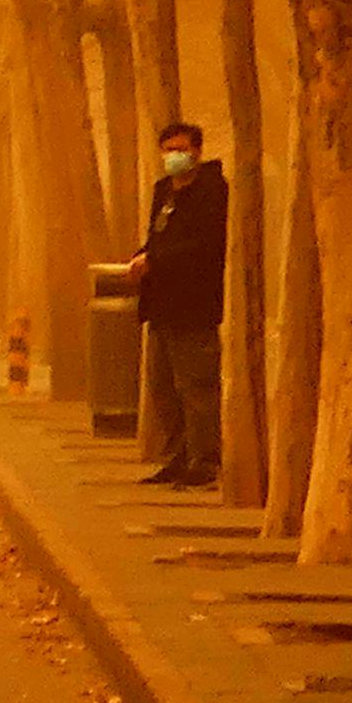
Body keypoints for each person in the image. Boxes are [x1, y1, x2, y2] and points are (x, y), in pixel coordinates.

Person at [129, 120, 230, 486]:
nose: (174, 157)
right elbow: (156, 238)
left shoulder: (212, 192)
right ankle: (177, 456)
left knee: (197, 386)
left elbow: (205, 247)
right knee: (163, 387)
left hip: (194, 304)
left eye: (181, 150)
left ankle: (204, 461)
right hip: (161, 304)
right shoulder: (164, 192)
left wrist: (157, 260)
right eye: (168, 150)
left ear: (197, 152)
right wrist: (143, 258)